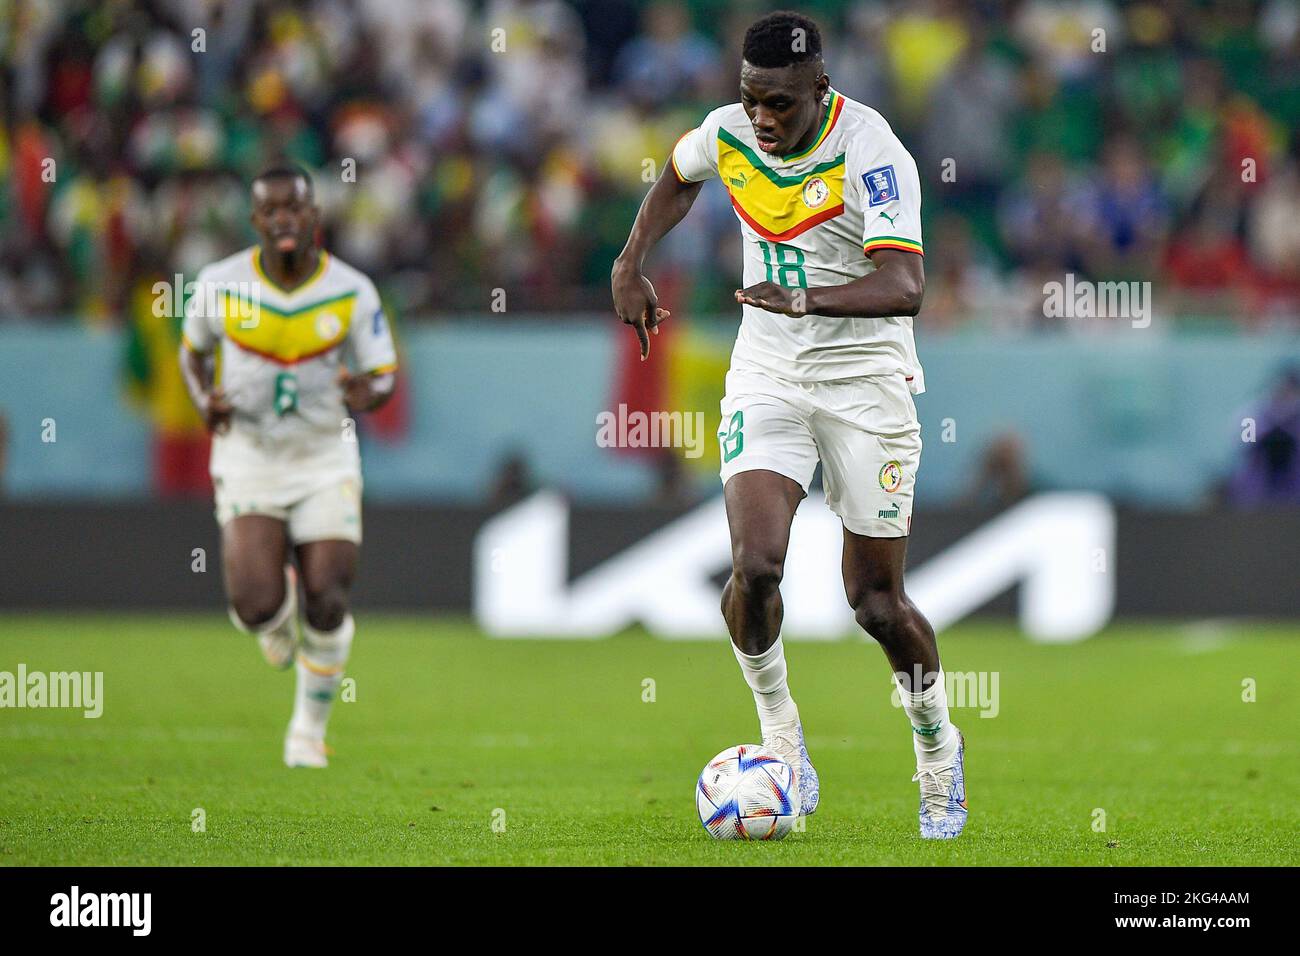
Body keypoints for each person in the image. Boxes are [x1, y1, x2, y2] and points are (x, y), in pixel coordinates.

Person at [611, 11, 966, 838]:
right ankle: (783, 740)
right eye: (751, 99)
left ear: (821, 88)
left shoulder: (873, 151)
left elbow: (905, 284)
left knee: (875, 603)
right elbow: (677, 173)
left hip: (866, 384)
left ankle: (937, 750)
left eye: (780, 104)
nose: (763, 119)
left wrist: (803, 296)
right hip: (768, 373)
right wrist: (631, 260)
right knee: (755, 564)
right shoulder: (729, 132)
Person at [179, 165, 397, 768]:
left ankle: (307, 731)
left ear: (313, 217)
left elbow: (384, 373)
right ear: (255, 221)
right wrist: (205, 401)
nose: (283, 220)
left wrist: (368, 394)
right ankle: (273, 618)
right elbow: (191, 354)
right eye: (270, 211)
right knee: (254, 605)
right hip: (249, 453)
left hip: (324, 453)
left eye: (294, 209)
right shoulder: (218, 284)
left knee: (328, 596)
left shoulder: (352, 289)